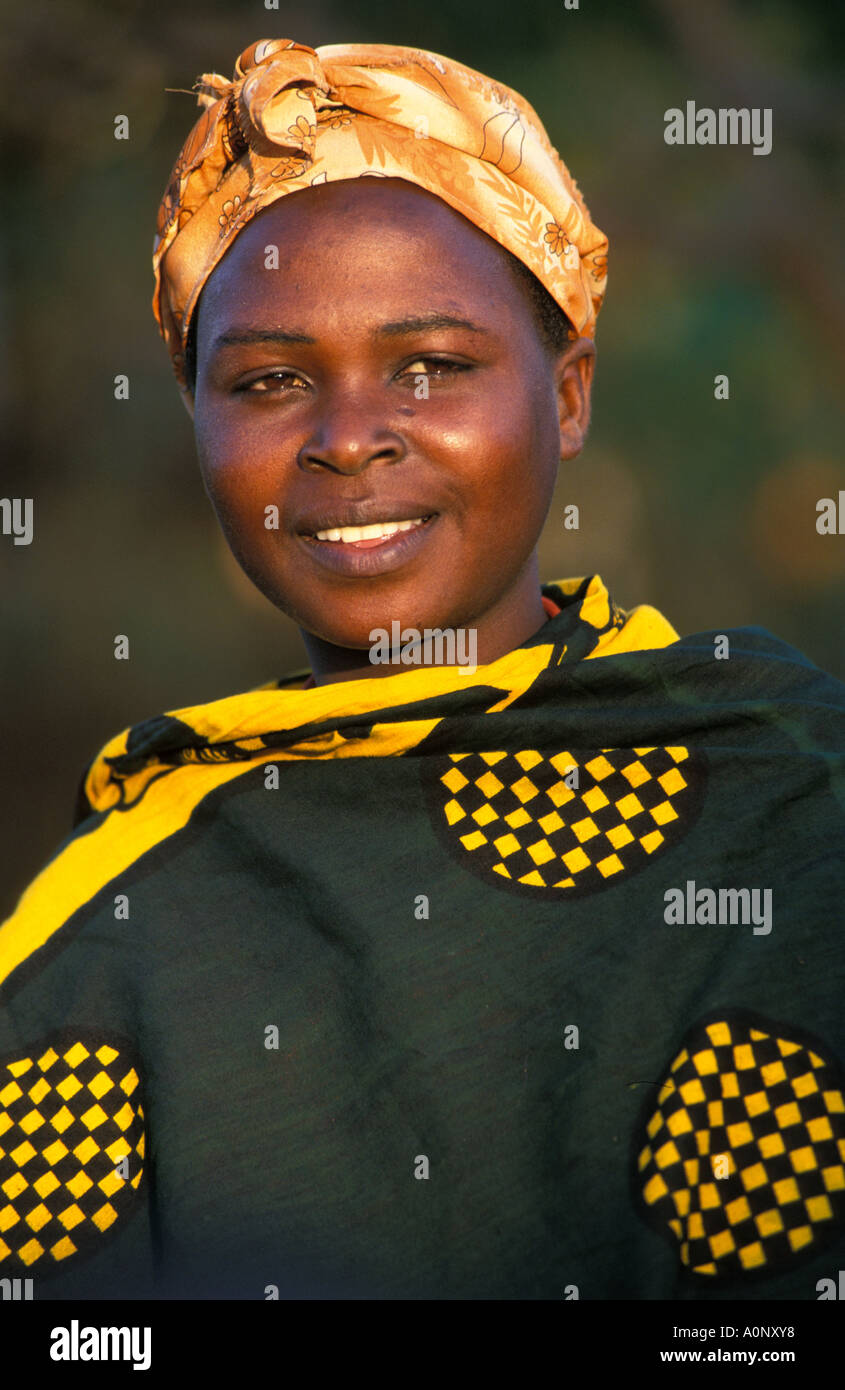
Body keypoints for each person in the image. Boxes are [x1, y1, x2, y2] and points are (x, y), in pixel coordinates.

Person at [0, 37, 842, 1302]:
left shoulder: (791, 785)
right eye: (271, 380)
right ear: (199, 425)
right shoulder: (110, 938)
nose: (347, 439)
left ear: (566, 396)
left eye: (431, 367)